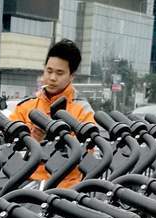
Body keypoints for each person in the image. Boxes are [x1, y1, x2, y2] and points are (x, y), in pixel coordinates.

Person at [8, 39, 96, 186]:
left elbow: (87, 154)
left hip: (65, 189)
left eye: (59, 73)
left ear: (71, 76)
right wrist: (32, 140)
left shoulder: (82, 110)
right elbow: (8, 146)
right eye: (49, 71)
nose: (52, 77)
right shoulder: (25, 107)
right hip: (26, 186)